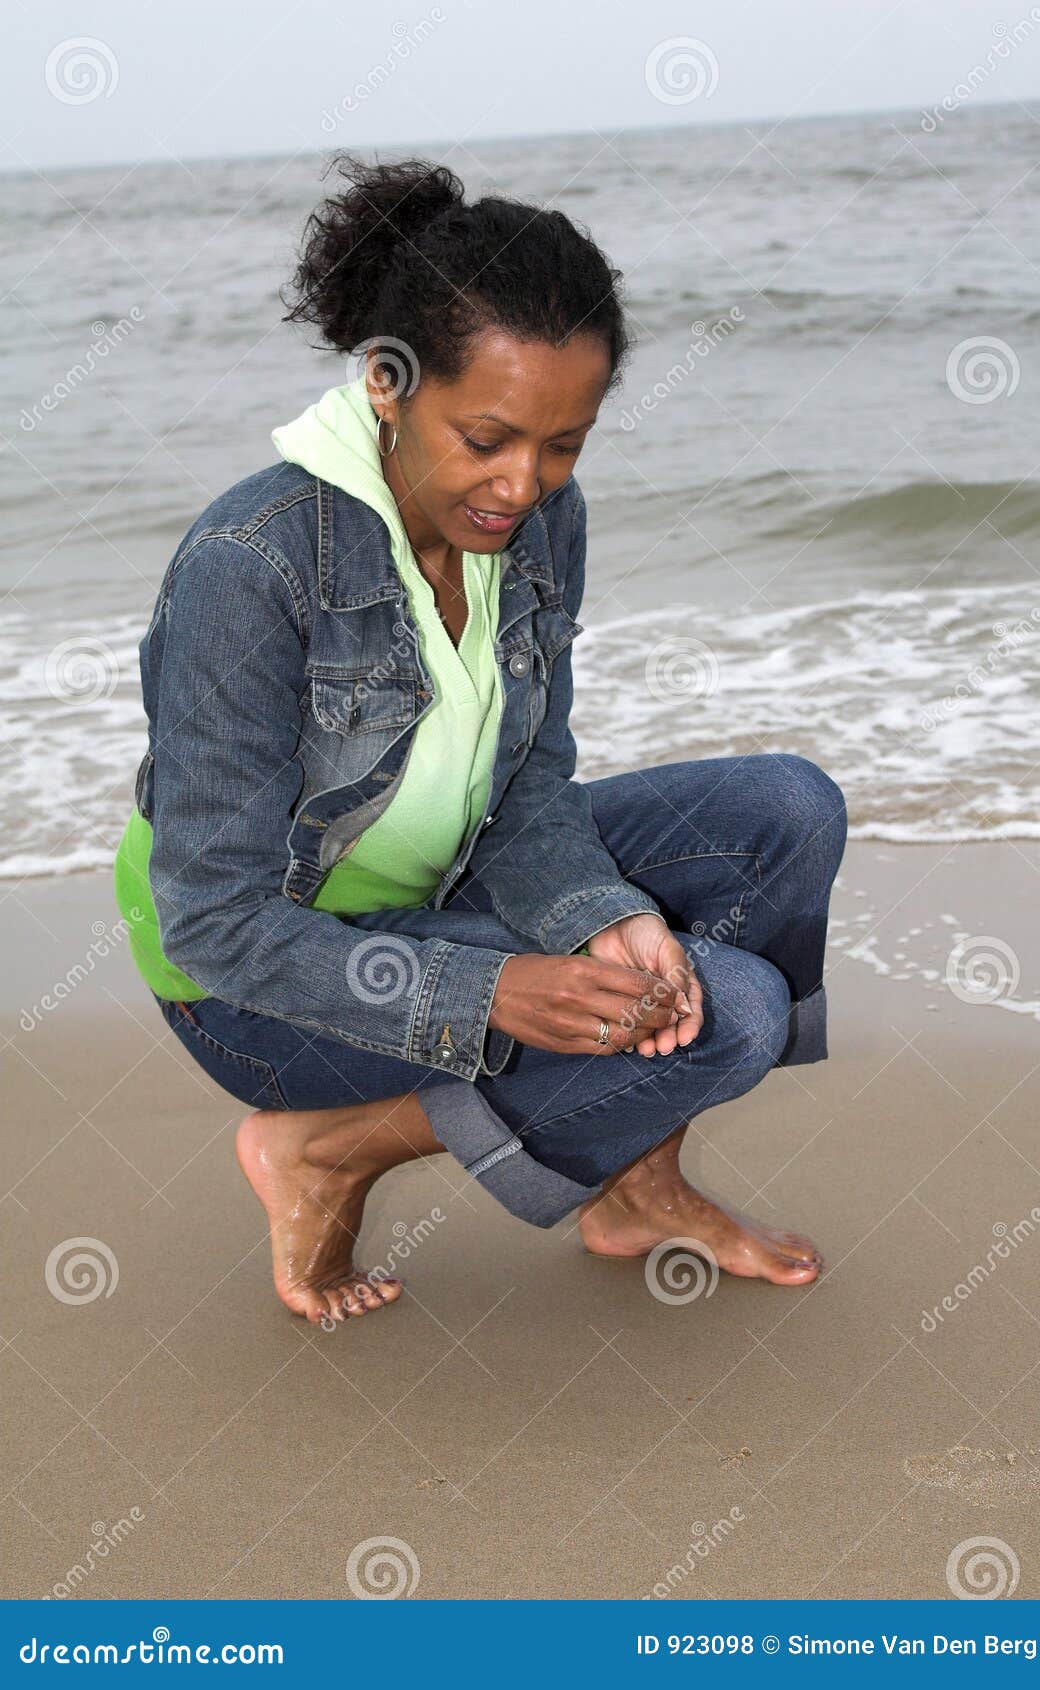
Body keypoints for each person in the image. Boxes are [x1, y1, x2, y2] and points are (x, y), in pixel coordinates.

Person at [113, 155, 847, 1328]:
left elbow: (526, 782)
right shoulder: (248, 566)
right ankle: (327, 1149)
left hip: (440, 878)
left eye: (564, 443)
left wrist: (601, 914)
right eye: (489, 438)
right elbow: (216, 924)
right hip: (254, 986)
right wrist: (491, 988)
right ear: (387, 381)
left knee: (790, 813)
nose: (523, 484)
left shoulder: (541, 521)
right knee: (735, 1013)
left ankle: (636, 1185)